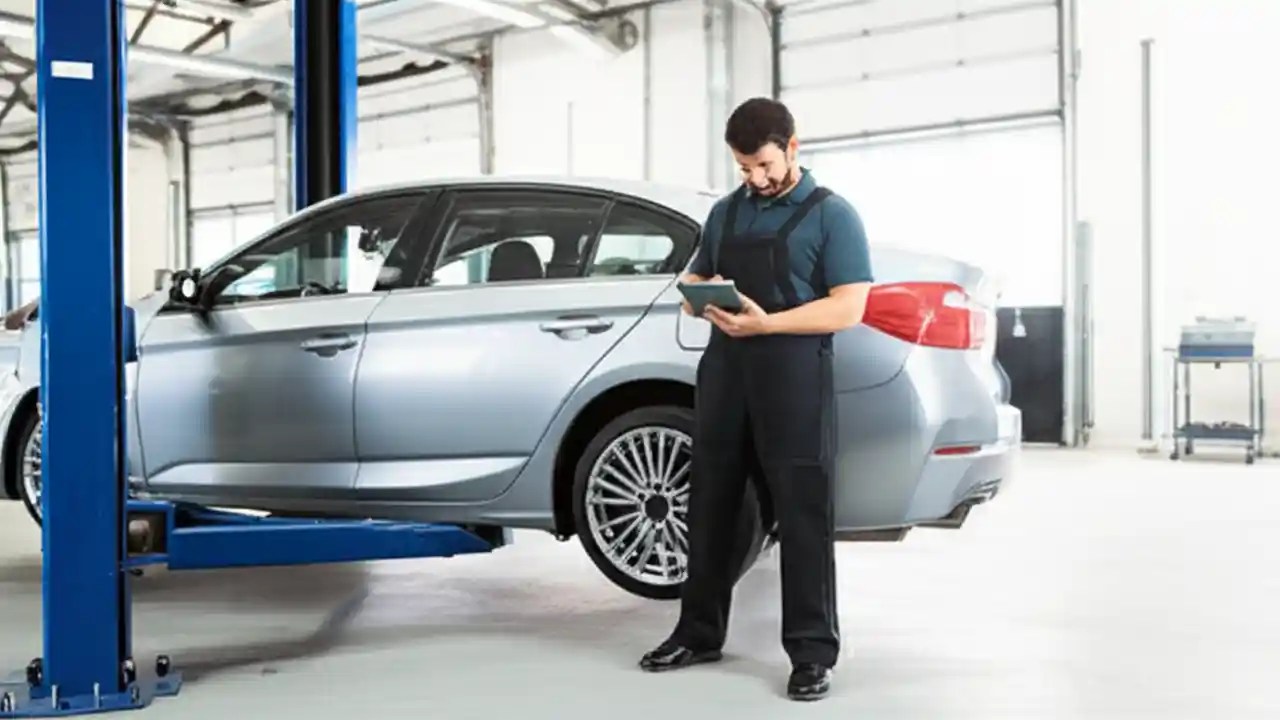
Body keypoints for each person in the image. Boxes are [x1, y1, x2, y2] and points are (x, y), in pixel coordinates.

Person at [638, 97, 874, 701]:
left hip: (794, 372)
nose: (756, 178)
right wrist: (699, 296)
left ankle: (812, 653)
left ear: (793, 147)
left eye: (765, 165)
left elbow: (849, 306)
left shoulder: (833, 215)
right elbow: (693, 278)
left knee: (802, 513)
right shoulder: (726, 212)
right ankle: (698, 633)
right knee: (710, 503)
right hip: (725, 370)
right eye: (744, 168)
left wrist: (769, 325)